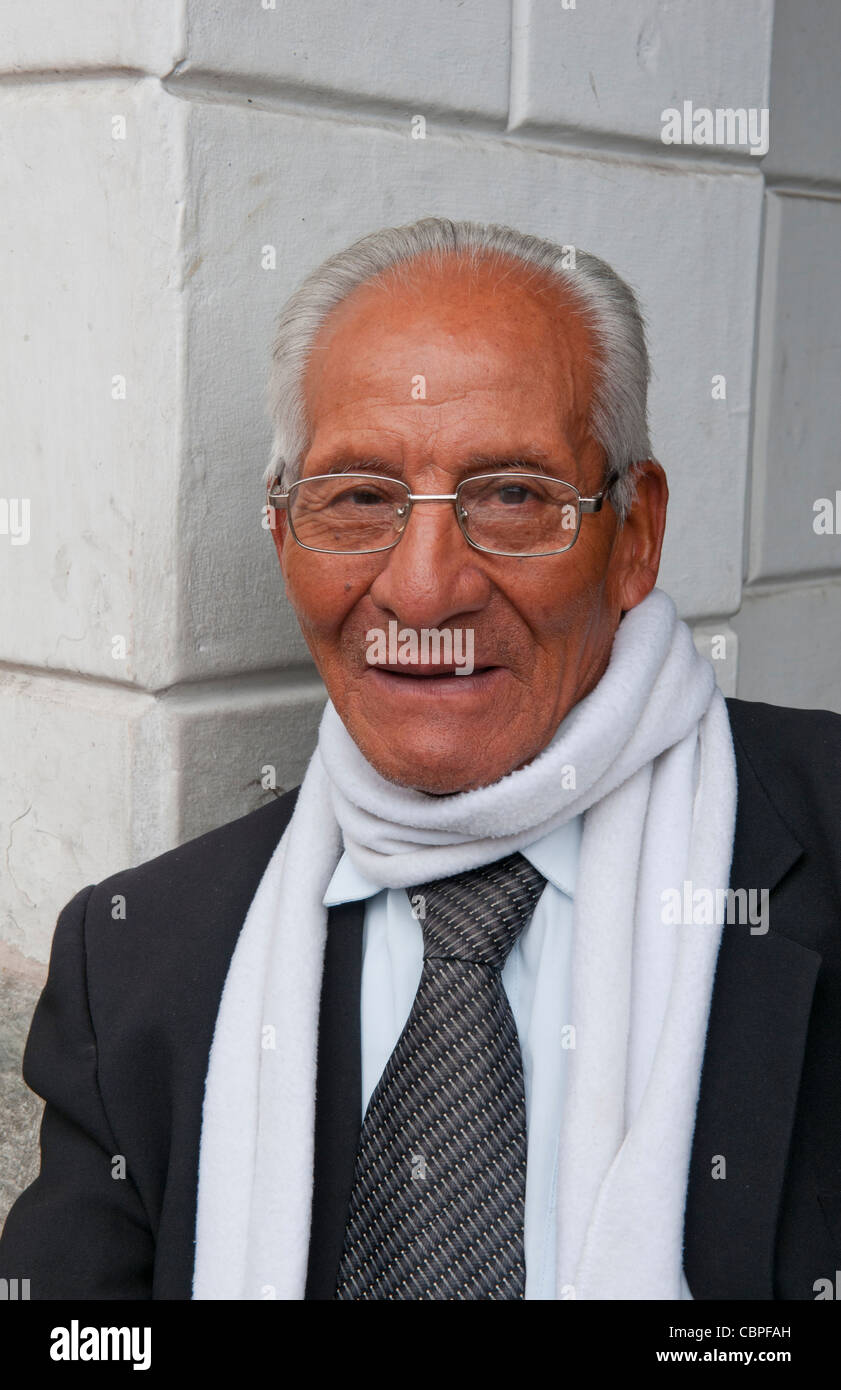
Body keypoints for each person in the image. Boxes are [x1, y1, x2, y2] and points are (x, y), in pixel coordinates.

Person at [2, 218, 839, 1300]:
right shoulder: (139, 964)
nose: (424, 589)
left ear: (633, 535)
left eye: (509, 496)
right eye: (357, 499)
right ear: (282, 537)